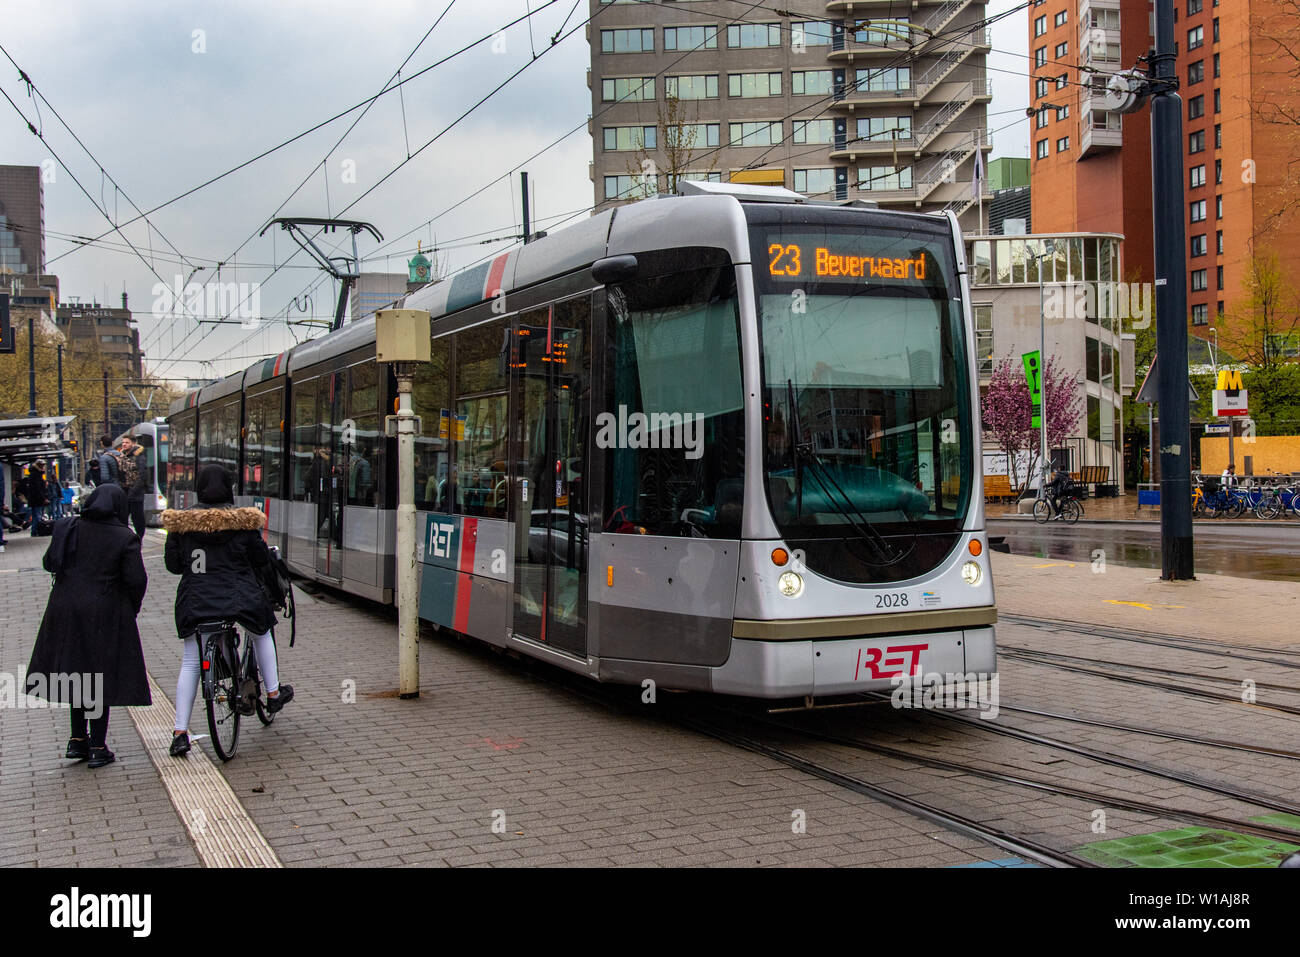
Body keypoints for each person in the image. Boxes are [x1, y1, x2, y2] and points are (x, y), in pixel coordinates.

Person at [162, 464, 292, 757]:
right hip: (240, 597)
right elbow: (260, 559)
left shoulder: (181, 525)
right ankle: (272, 693)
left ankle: (180, 733)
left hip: (195, 599)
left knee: (192, 661)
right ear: (229, 489)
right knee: (261, 632)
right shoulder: (243, 523)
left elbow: (172, 566)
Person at [25, 484, 150, 768]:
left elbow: (49, 563)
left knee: (76, 673)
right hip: (104, 612)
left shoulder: (67, 526)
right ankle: (97, 745)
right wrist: (131, 607)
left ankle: (77, 740)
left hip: (65, 609)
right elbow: (136, 579)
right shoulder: (124, 537)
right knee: (99, 676)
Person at [118, 437, 148, 539]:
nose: (124, 444)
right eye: (123, 442)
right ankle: (125, 538)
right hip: (124, 491)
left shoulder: (139, 456)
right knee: (122, 517)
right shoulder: (122, 456)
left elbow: (142, 475)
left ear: (134, 444)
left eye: (127, 442)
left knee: (137, 519)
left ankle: (139, 539)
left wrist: (134, 490)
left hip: (135, 493)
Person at [21, 461, 51, 530]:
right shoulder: (36, 475)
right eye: (42, 465)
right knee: (37, 515)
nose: (44, 467)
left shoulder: (34, 474)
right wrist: (43, 498)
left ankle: (35, 530)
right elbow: (38, 489)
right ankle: (36, 530)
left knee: (35, 515)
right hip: (37, 500)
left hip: (34, 499)